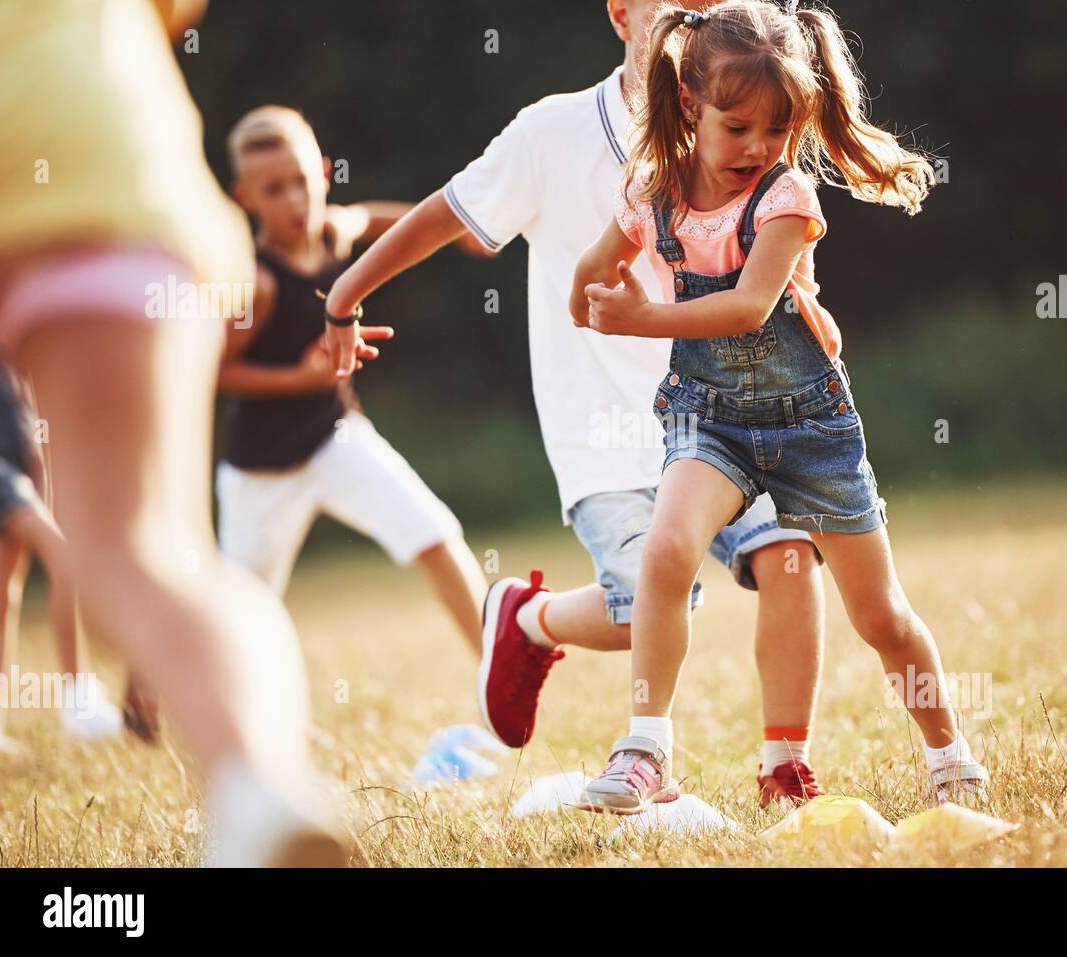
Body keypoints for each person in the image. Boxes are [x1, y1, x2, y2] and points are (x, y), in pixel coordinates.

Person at [323, 0, 829, 806]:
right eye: (679, 8)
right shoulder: (550, 135)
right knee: (644, 607)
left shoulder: (744, 126)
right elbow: (446, 217)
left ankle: (784, 769)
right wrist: (344, 295)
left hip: (730, 414)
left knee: (791, 555)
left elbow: (769, 260)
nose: (697, 20)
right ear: (623, 12)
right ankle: (529, 619)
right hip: (607, 431)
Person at [571, 0, 990, 814]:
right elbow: (589, 279)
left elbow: (748, 309)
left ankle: (949, 754)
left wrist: (644, 316)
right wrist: (596, 298)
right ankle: (645, 747)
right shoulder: (652, 193)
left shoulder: (786, 196)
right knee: (664, 552)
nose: (760, 148)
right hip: (710, 419)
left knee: (882, 616)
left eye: (778, 128)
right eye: (740, 128)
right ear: (690, 105)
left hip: (810, 426)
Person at [0, 0, 344, 864]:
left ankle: (259, 794)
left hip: (39, 180)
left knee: (121, 560)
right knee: (154, 554)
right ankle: (264, 786)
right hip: (144, 175)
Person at [216, 106, 488, 657]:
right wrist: (298, 377)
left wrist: (454, 228)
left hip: (335, 435)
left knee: (434, 533)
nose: (294, 201)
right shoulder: (258, 283)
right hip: (260, 471)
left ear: (321, 172)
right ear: (245, 198)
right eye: (274, 190)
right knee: (241, 615)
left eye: (300, 182)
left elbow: (365, 216)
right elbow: (216, 370)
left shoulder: (332, 234)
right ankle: (147, 697)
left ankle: (499, 667)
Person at [0, 359, 125, 749]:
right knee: (68, 560)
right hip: (0, 475)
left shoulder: (21, 349)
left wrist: (42, 490)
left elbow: (31, 428)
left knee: (2, 602)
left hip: (19, 472)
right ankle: (77, 697)